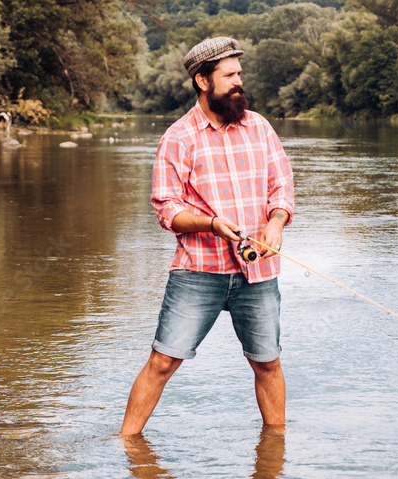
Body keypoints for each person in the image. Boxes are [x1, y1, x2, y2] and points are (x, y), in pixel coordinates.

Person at [120, 36, 295, 436]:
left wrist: (275, 222)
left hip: (259, 274)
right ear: (202, 81)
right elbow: (167, 209)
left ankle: (274, 455)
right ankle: (126, 445)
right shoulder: (178, 138)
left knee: (267, 363)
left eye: (239, 74)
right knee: (163, 361)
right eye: (229, 75)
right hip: (199, 271)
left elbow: (282, 186)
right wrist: (211, 224)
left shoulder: (260, 127)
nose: (238, 83)